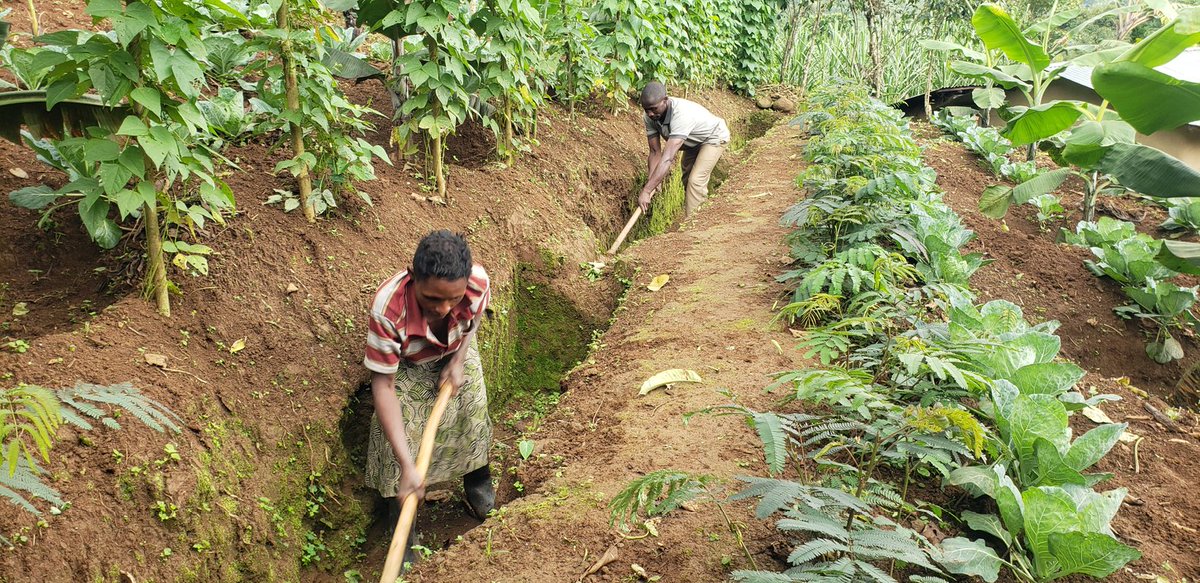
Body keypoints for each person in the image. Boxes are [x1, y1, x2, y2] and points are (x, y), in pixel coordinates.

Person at [363, 230, 495, 565]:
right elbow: (383, 386)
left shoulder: (476, 281)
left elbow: (475, 317)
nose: (443, 307)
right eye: (432, 299)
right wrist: (409, 466)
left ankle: (477, 480)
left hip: (454, 350)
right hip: (406, 365)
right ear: (413, 278)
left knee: (471, 410)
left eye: (453, 298)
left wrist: (459, 358)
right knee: (398, 439)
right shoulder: (387, 311)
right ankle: (402, 519)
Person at [638, 81, 731, 217]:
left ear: (665, 100)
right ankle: (698, 211)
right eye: (646, 109)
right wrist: (652, 180)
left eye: (654, 108)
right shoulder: (649, 117)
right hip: (691, 141)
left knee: (696, 181)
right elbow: (654, 152)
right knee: (687, 179)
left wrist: (646, 191)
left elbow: (668, 158)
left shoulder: (681, 114)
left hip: (713, 137)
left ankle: (694, 226)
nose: (650, 114)